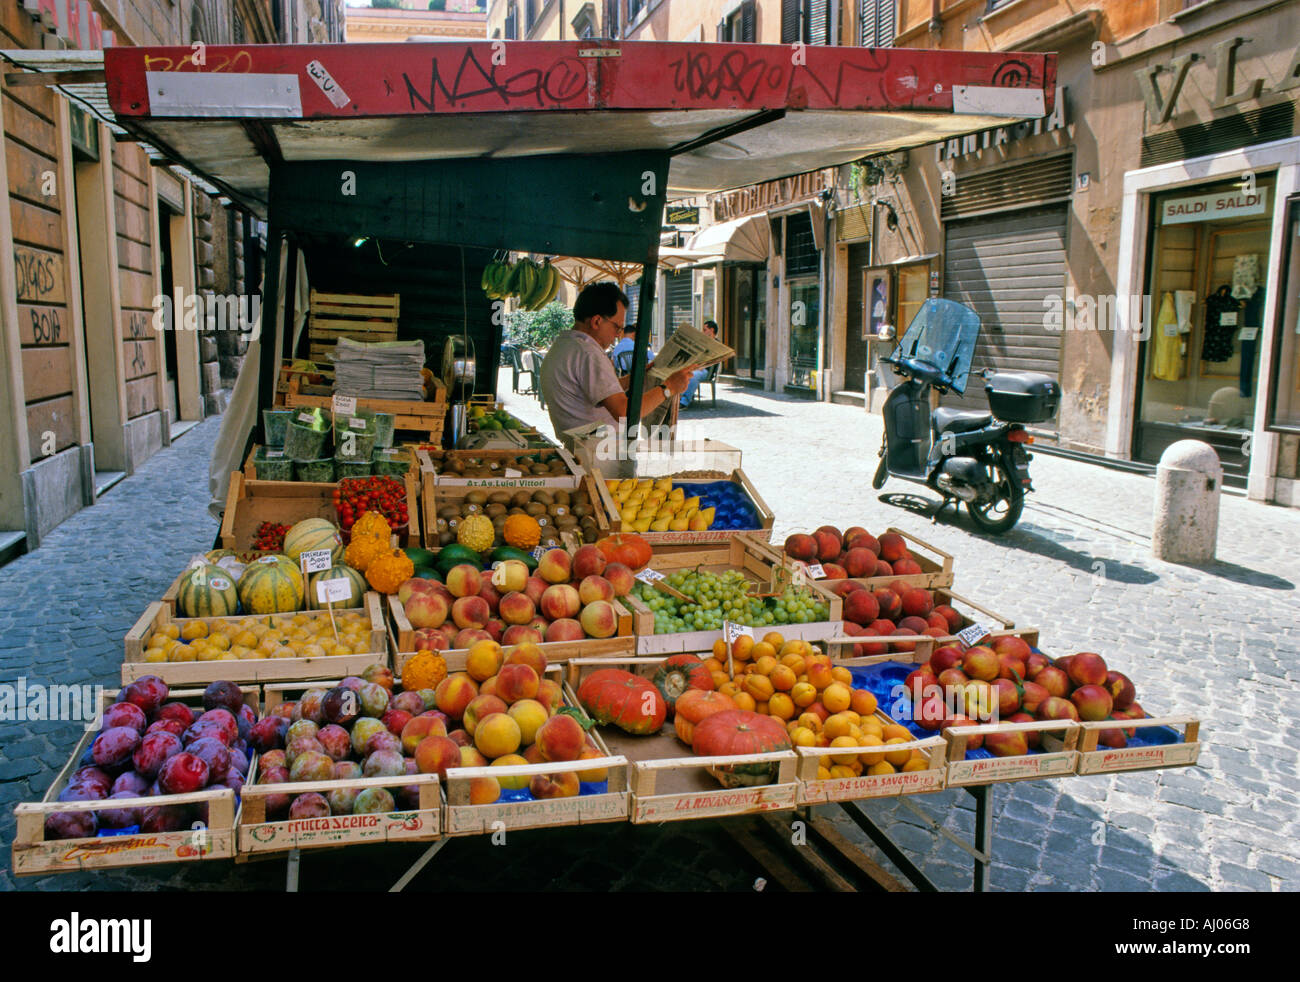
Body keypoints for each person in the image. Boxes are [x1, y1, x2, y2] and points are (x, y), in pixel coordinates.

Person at [539, 282, 698, 448]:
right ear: (597, 321)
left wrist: (636, 378)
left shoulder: (565, 345)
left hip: (584, 447)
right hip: (600, 454)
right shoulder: (589, 353)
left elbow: (602, 391)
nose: (617, 335)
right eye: (617, 327)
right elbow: (624, 413)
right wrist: (669, 388)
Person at [679, 320, 718, 408]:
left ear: (711, 330)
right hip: (697, 367)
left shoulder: (717, 344)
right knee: (681, 373)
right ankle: (679, 397)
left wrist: (702, 366)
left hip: (706, 371)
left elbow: (715, 361)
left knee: (693, 376)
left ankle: (684, 402)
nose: (702, 332)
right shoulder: (704, 342)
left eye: (704, 330)